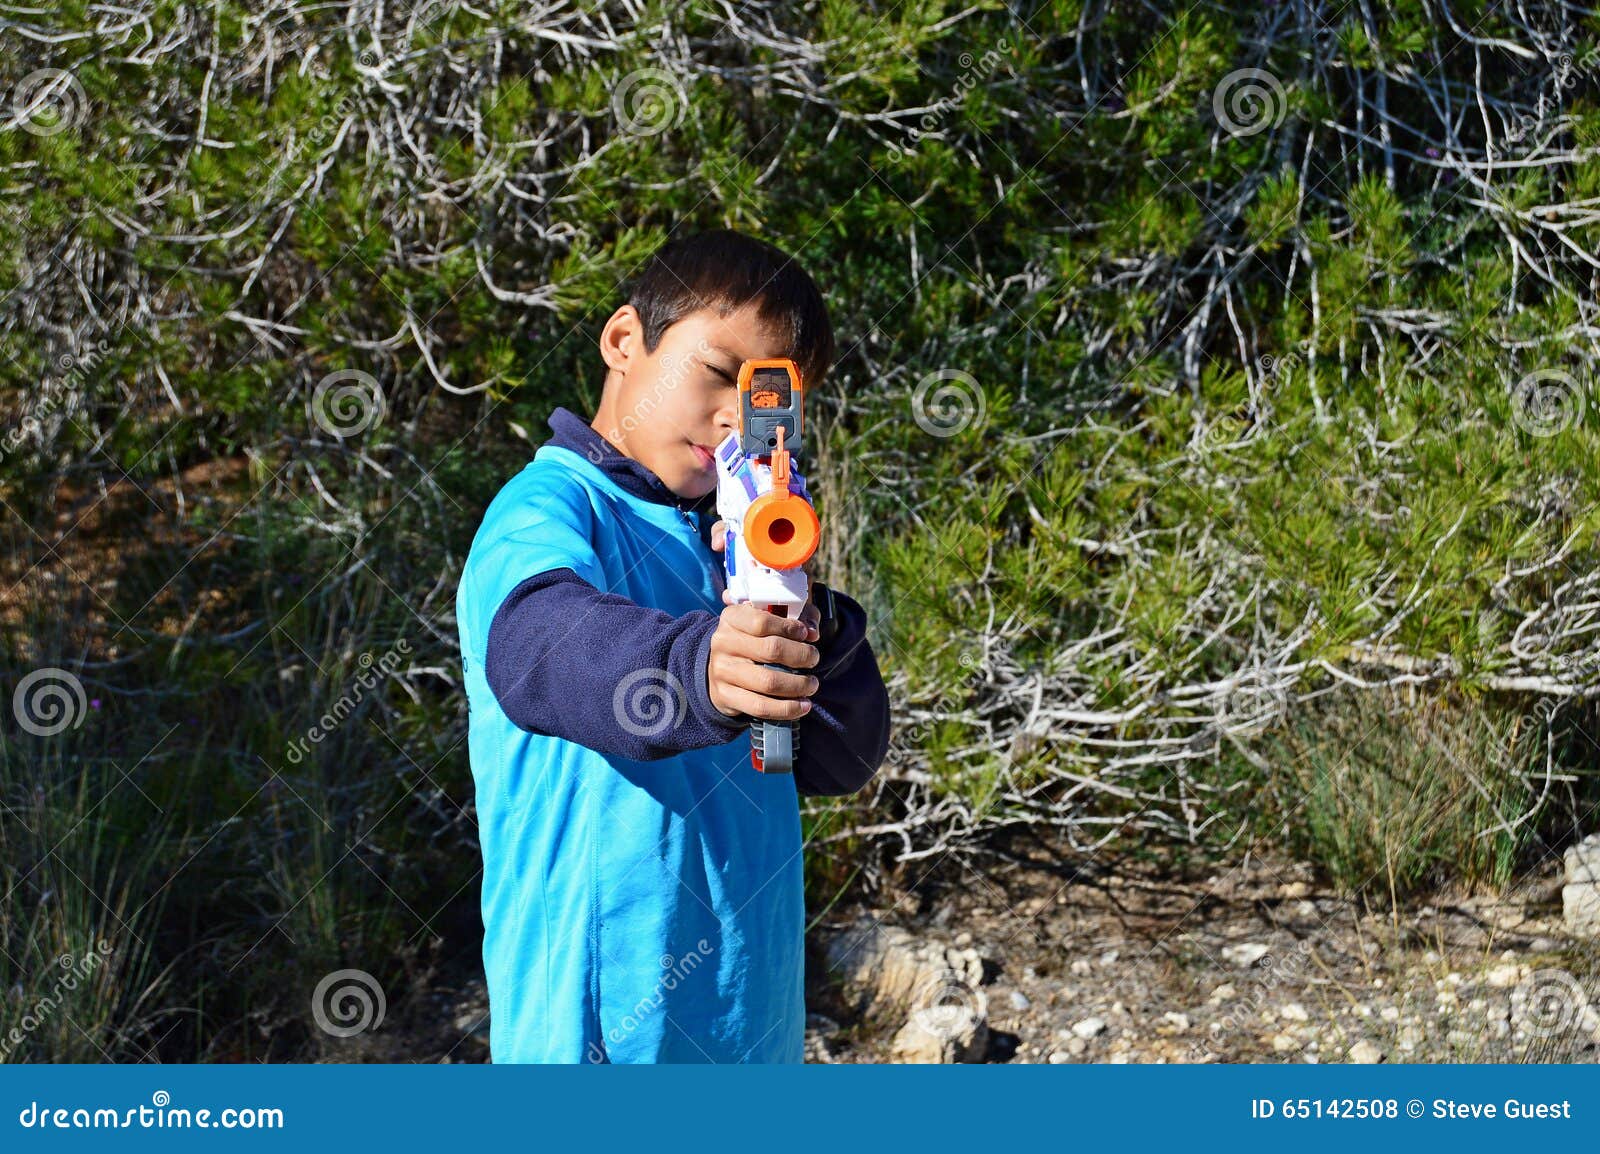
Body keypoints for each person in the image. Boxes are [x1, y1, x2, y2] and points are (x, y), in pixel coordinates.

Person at [456, 229, 891, 1063]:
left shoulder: (734, 546)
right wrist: (703, 669)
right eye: (720, 372)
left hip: (747, 1027)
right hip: (597, 1041)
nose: (736, 415)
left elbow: (841, 761)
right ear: (625, 341)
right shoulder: (548, 509)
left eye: (770, 396)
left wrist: (813, 630)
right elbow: (539, 648)